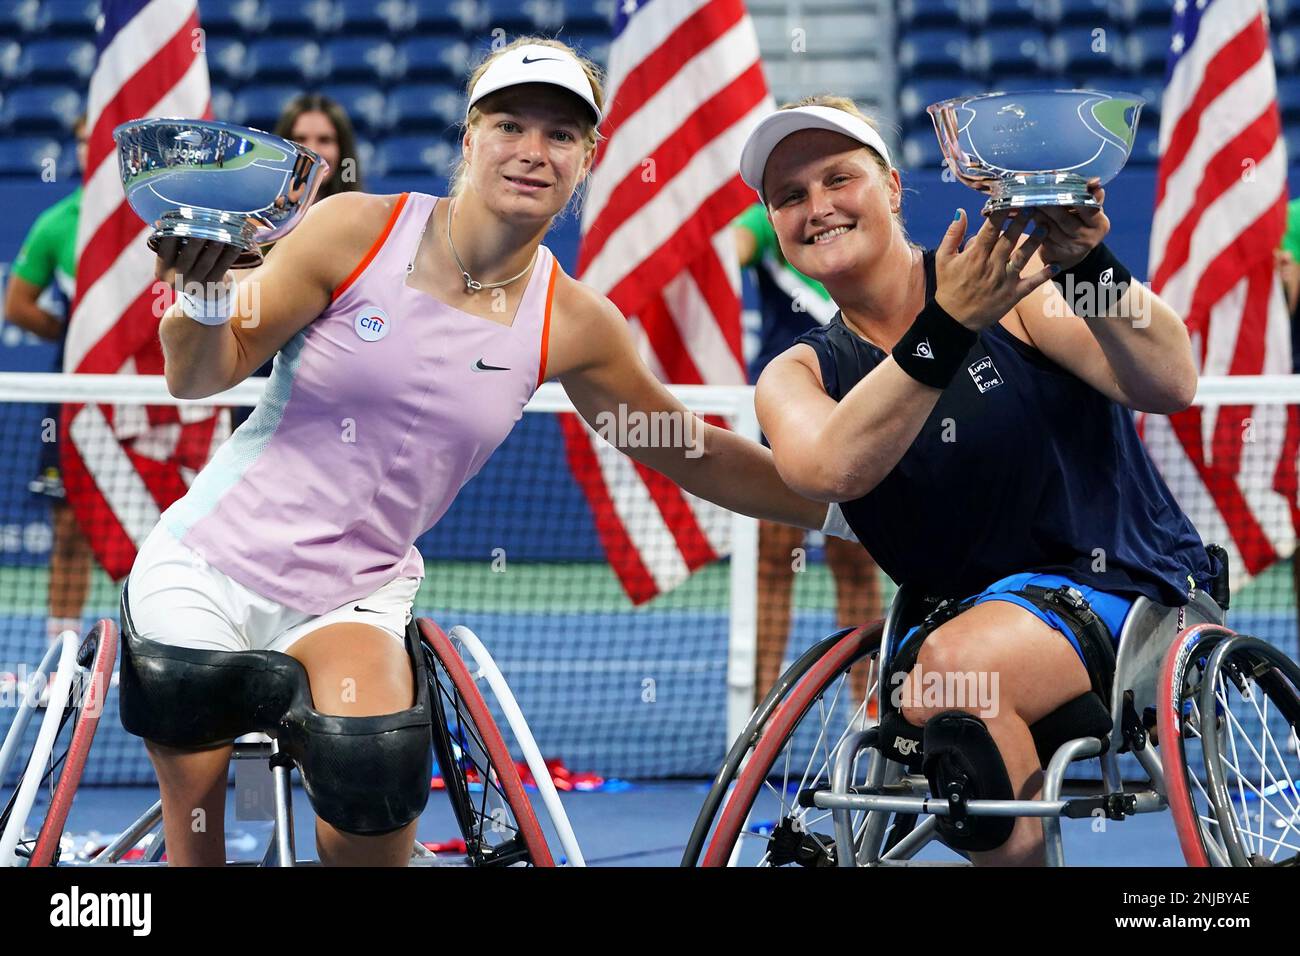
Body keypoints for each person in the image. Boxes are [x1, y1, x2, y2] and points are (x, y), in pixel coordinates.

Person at [126, 38, 839, 866]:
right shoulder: (354, 229)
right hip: (210, 566)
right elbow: (199, 373)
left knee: (372, 783)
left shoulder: (574, 323)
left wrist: (851, 508)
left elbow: (692, 453)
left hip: (349, 596)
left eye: (562, 136)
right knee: (200, 829)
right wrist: (205, 292)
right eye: (509, 124)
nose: (533, 152)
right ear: (469, 138)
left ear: (586, 162)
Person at [742, 95, 1216, 866]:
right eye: (789, 197)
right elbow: (829, 467)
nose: (817, 207)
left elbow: (1171, 380)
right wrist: (948, 327)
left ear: (893, 187)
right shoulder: (796, 375)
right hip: (953, 632)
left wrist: (1087, 262)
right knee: (950, 677)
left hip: (1123, 598)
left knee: (954, 676)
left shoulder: (1019, 288)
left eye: (838, 179)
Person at [732, 203, 881, 706]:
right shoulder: (765, 221)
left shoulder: (858, 226)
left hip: (858, 408)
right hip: (786, 411)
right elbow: (734, 248)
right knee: (773, 561)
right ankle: (760, 710)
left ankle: (869, 708)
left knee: (857, 562)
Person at [4, 115, 95, 643]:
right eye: (81, 143)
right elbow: (16, 305)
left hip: (152, 392)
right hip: (72, 394)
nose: (89, 151)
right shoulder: (58, 222)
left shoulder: (152, 222)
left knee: (155, 525)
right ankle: (63, 657)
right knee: (68, 528)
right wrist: (72, 335)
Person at [230, 94, 366, 430]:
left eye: (325, 140)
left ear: (342, 150)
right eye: (300, 139)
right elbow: (238, 307)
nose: (312, 149)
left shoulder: (366, 222)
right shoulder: (252, 222)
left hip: (334, 394)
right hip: (256, 384)